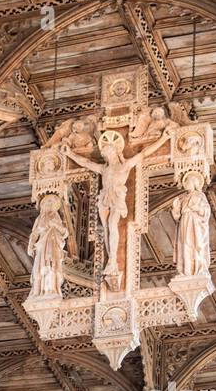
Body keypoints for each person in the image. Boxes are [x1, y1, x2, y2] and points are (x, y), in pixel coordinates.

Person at [62, 124, 176, 290]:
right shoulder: (103, 168)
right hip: (105, 199)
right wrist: (69, 153)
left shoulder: (125, 165)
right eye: (104, 153)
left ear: (115, 151)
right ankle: (111, 261)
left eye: (107, 152)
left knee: (113, 225)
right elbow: (85, 162)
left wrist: (164, 138)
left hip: (117, 198)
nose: (105, 155)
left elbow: (144, 154)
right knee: (107, 230)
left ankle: (113, 260)